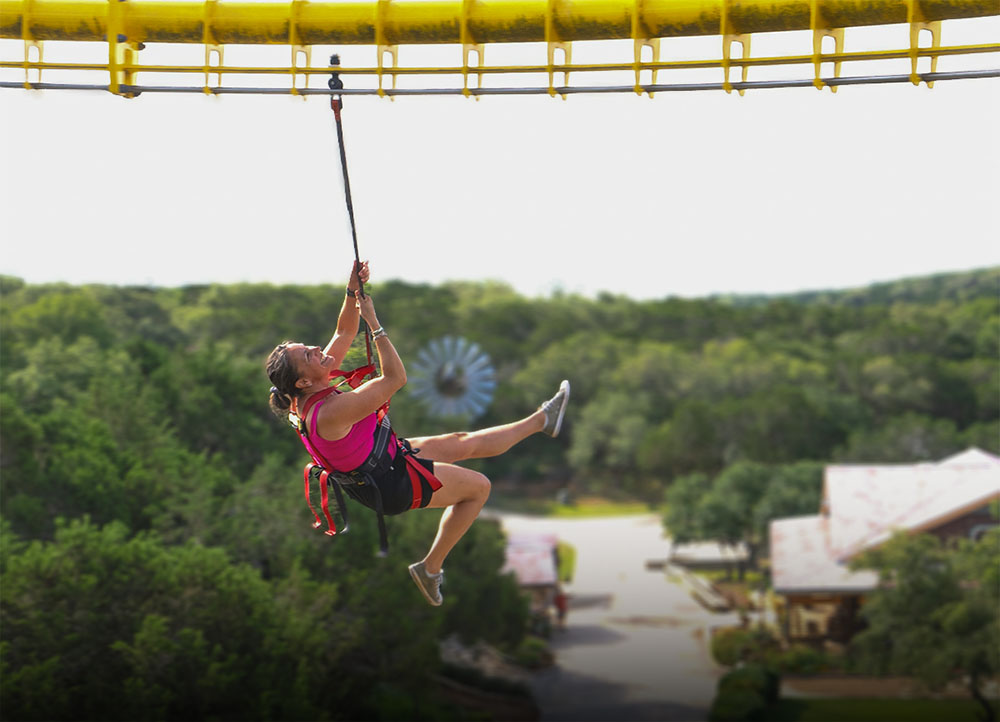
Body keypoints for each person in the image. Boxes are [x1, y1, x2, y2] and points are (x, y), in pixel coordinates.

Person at [266, 262, 570, 607]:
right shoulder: (329, 413)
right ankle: (430, 567)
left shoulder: (307, 387)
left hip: (387, 459)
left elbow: (343, 333)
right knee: (478, 489)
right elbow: (395, 379)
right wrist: (375, 324)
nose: (318, 349)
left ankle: (543, 420)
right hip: (390, 483)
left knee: (463, 442)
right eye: (308, 354)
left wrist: (352, 291)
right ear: (303, 381)